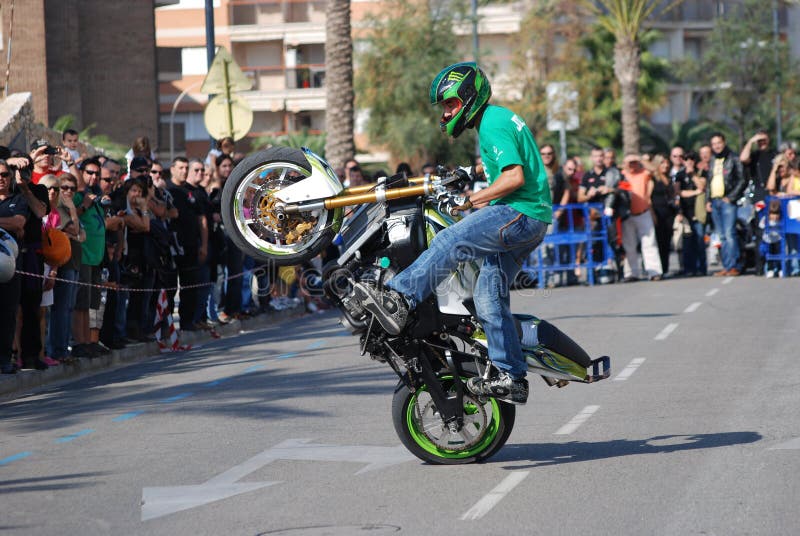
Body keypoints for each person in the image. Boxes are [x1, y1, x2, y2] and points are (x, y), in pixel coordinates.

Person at [352, 62, 550, 404]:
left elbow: (514, 177)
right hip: (532, 218)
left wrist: (470, 199)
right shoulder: (495, 120)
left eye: (450, 104)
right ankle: (512, 376)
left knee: (451, 240)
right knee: (488, 299)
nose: (446, 113)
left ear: (470, 97)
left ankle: (398, 297)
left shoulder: (492, 124)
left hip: (520, 213)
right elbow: (499, 165)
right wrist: (466, 172)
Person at [706, 132, 746, 276]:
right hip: (715, 201)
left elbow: (742, 180)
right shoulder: (712, 160)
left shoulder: (733, 158)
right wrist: (708, 200)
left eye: (719, 143)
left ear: (724, 142)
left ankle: (734, 266)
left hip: (727, 201)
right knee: (721, 236)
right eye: (714, 144)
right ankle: (727, 266)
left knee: (730, 234)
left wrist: (731, 197)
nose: (716, 146)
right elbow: (708, 182)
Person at [620, 154, 663, 281]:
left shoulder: (644, 173)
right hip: (627, 215)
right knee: (629, 245)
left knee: (649, 243)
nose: (632, 165)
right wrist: (625, 163)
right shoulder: (622, 174)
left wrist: (641, 160)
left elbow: (655, 170)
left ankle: (654, 271)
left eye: (634, 162)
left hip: (643, 212)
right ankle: (631, 273)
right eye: (630, 162)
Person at [677, 152, 707, 276]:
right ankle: (689, 268)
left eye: (691, 159)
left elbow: (702, 187)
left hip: (698, 212)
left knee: (700, 241)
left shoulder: (701, 172)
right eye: (686, 159)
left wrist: (693, 175)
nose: (689, 161)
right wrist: (695, 192)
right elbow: (678, 192)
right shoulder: (679, 175)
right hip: (686, 212)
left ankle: (702, 268)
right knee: (688, 243)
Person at [650, 154, 678, 276]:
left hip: (669, 213)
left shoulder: (669, 178)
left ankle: (665, 268)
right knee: (658, 241)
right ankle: (657, 268)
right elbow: (648, 198)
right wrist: (652, 214)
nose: (665, 165)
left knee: (666, 242)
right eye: (662, 163)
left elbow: (673, 196)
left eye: (667, 163)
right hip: (657, 212)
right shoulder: (653, 179)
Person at [739, 129, 777, 202]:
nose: (762, 142)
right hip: (758, 192)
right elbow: (743, 158)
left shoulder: (775, 154)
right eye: (759, 140)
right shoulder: (754, 156)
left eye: (764, 140)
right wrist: (750, 141)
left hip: (774, 191)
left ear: (768, 140)